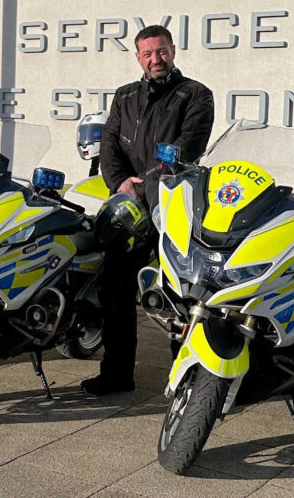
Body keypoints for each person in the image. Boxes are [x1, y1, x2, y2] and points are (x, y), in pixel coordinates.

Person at [85, 24, 215, 396]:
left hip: (174, 205)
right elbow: (109, 144)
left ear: (173, 51)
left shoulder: (196, 94)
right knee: (115, 290)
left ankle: (185, 379)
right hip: (130, 208)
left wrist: (148, 184)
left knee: (178, 295)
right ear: (138, 57)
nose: (155, 59)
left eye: (161, 52)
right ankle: (117, 373)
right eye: (147, 54)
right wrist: (121, 183)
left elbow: (187, 147)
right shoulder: (125, 96)